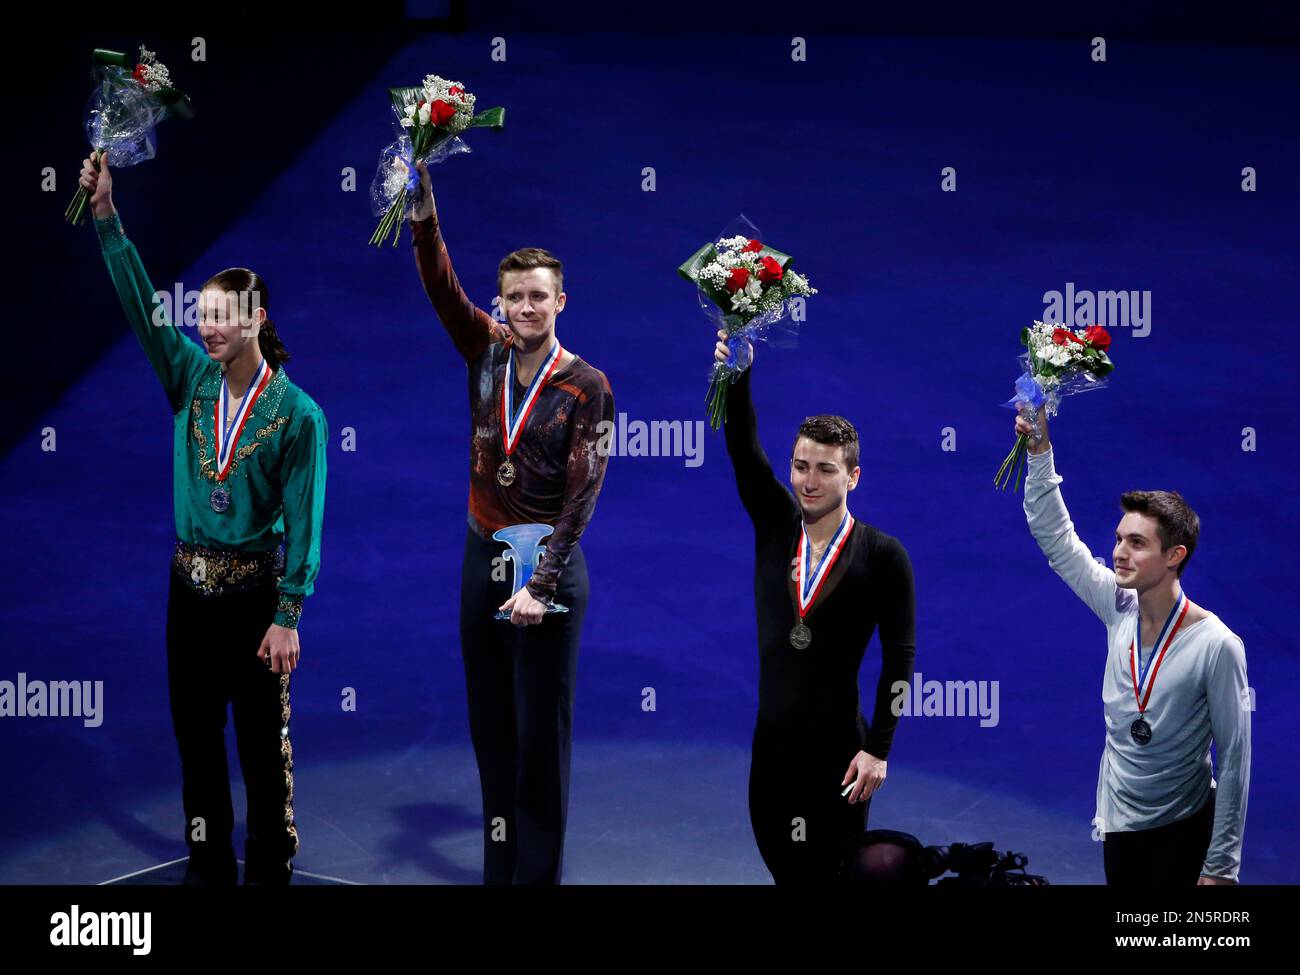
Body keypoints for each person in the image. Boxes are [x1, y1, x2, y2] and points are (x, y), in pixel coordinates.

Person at [81, 151, 328, 885]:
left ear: (256, 319)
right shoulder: (189, 379)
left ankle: (272, 863)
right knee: (195, 736)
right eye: (202, 316)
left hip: (255, 599)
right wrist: (106, 219)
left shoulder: (298, 415)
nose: (207, 327)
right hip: (187, 591)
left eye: (221, 317)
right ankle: (208, 860)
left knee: (260, 742)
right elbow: (137, 306)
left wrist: (289, 613)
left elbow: (306, 520)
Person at [409, 159, 614, 884]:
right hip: (482, 558)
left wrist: (542, 583)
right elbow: (441, 289)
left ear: (562, 302)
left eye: (540, 298)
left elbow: (583, 493)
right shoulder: (485, 348)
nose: (527, 308)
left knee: (539, 737)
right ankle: (503, 874)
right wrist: (423, 213)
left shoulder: (586, 386)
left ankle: (538, 878)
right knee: (493, 731)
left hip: (549, 570)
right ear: (501, 301)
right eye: (516, 297)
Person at [1015, 403, 1250, 884]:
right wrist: (1040, 453)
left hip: (1185, 829)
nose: (1119, 552)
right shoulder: (1117, 604)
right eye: (1119, 538)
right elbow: (1056, 537)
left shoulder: (1218, 646)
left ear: (1174, 556)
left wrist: (1222, 865)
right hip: (1120, 824)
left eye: (1137, 543)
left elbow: (1235, 762)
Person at [717, 331, 916, 884]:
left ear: (853, 476)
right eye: (801, 465)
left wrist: (879, 749)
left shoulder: (883, 555)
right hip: (773, 746)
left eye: (825, 469)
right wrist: (737, 375)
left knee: (834, 873)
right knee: (785, 869)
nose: (809, 480)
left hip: (841, 752)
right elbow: (743, 451)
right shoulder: (776, 526)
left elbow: (900, 658)